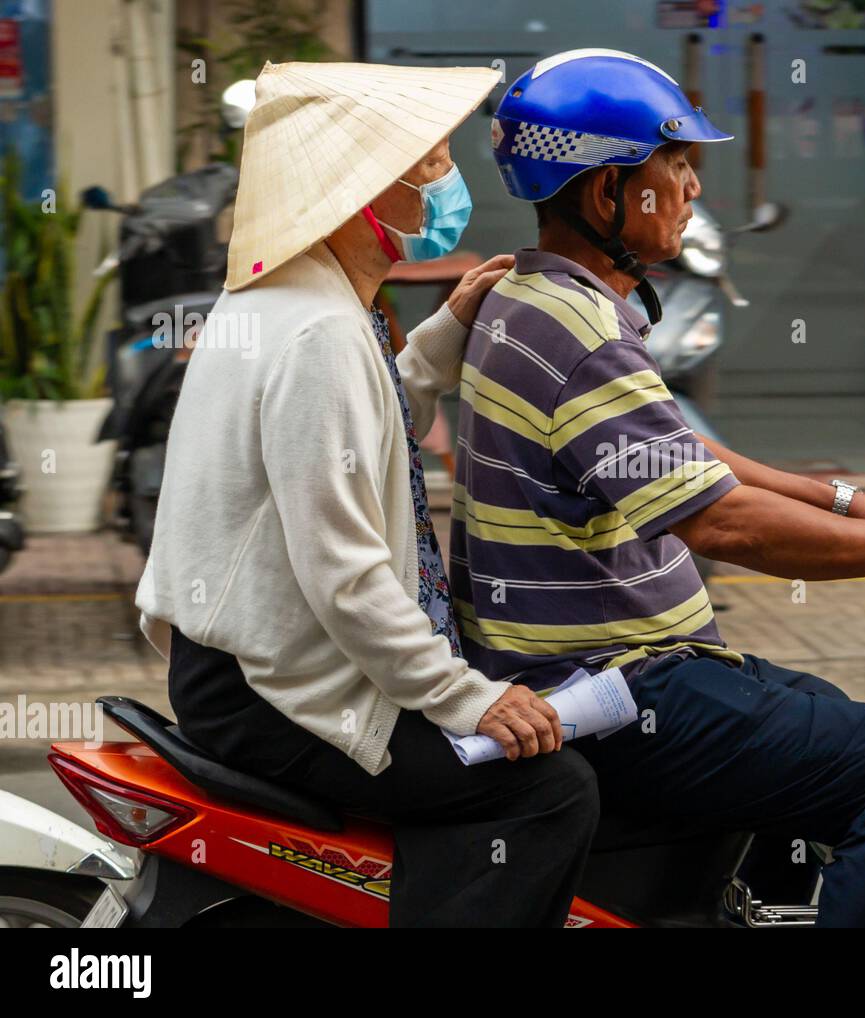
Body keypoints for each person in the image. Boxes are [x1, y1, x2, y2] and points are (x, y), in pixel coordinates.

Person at [454, 49, 865, 927]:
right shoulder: (578, 332)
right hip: (617, 688)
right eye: (678, 165)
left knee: (829, 716)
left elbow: (697, 462)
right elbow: (726, 524)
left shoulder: (545, 301)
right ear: (606, 196)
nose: (696, 187)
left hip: (626, 672)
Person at [135, 60, 598, 928]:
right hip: (273, 692)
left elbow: (362, 435)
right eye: (426, 162)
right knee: (551, 792)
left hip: (234, 668)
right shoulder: (319, 334)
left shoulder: (285, 303)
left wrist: (442, 333)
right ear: (360, 189)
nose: (443, 182)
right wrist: (470, 698)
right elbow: (346, 575)